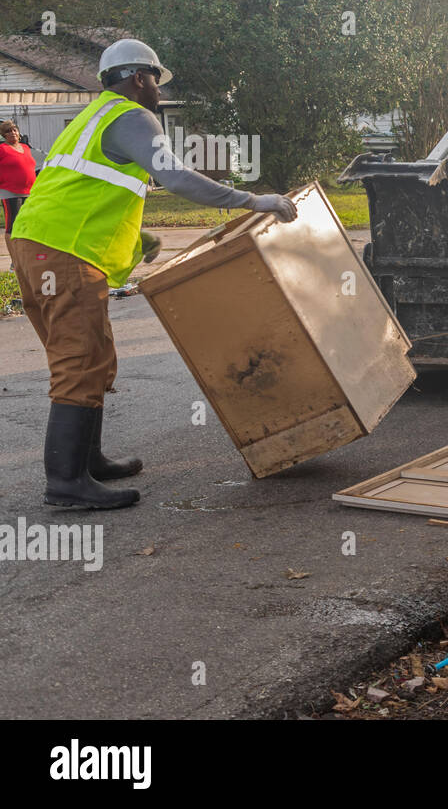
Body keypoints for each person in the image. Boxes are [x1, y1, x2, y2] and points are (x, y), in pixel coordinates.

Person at [10, 38, 298, 510]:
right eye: (156, 82)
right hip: (63, 253)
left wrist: (139, 238)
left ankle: (90, 461)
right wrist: (252, 200)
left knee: (94, 356)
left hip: (39, 244)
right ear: (138, 77)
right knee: (78, 362)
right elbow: (178, 177)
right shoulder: (131, 116)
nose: (159, 94)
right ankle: (65, 482)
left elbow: (84, 190)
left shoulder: (92, 116)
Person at [0, 119, 37, 263]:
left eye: (14, 129)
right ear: (4, 135)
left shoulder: (25, 147)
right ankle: (15, 261)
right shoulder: (2, 149)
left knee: (26, 224)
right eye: (8, 131)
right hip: (10, 192)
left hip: (29, 191)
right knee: (12, 225)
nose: (12, 133)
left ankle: (25, 256)